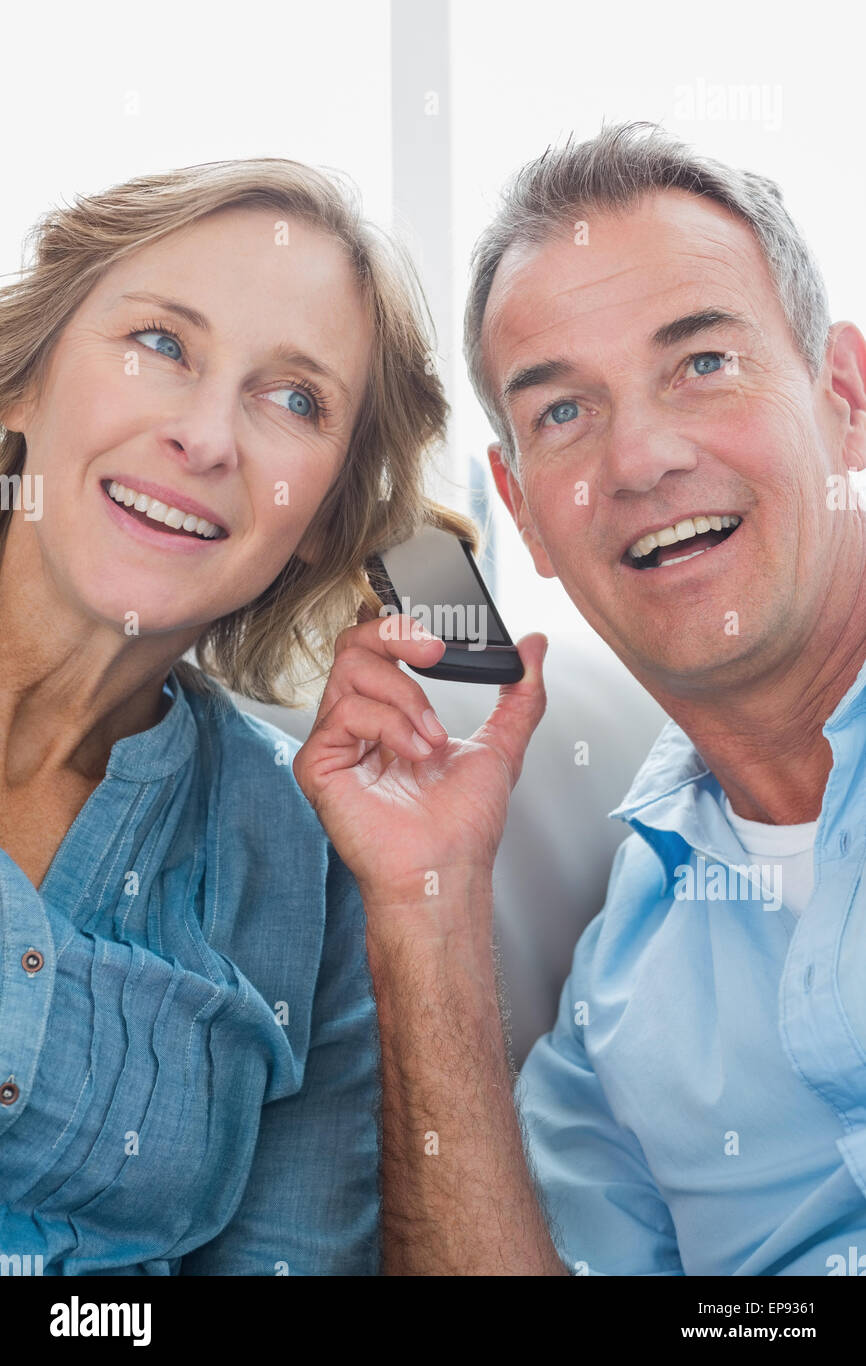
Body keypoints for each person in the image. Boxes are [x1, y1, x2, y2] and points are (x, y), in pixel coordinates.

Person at [293, 121, 866, 1275]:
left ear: (843, 396)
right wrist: (426, 916)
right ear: (521, 507)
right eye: (563, 412)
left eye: (702, 363)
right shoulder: (617, 992)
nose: (642, 456)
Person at [0, 156, 473, 1275]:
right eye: (160, 343)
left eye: (295, 400)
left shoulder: (300, 861)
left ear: (320, 516)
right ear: (25, 382)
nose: (208, 438)